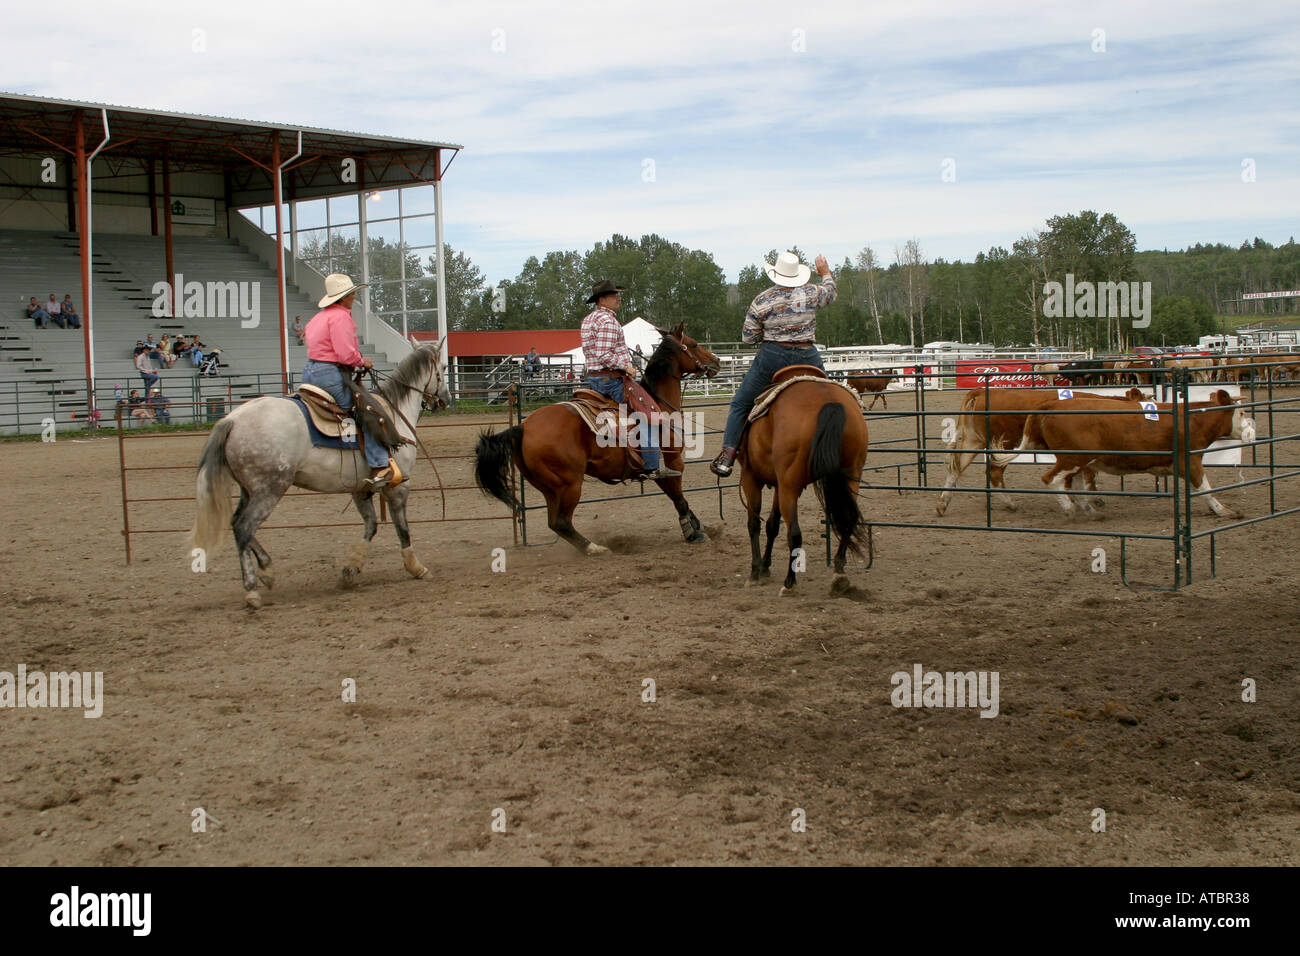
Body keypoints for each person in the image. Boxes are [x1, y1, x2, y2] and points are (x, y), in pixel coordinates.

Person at [711, 251, 837, 477]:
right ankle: (836, 445)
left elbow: (748, 337)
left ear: (776, 273)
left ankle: (728, 456)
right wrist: (825, 272)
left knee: (740, 404)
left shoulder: (763, 299)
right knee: (831, 399)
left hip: (773, 357)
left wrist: (768, 333)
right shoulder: (812, 292)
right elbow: (831, 293)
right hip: (808, 356)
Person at [303, 273, 402, 489]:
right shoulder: (341, 317)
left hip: (310, 373)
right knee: (368, 411)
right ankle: (379, 465)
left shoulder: (317, 318)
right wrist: (362, 361)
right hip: (330, 373)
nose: (354, 297)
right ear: (343, 298)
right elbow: (345, 354)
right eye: (352, 294)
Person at [580, 278, 680, 479]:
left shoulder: (589, 320)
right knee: (649, 412)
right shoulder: (608, 321)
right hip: (612, 380)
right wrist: (626, 366)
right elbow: (604, 354)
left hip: (595, 379)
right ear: (602, 299)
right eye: (614, 295)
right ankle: (651, 466)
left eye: (618, 294)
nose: (619, 298)